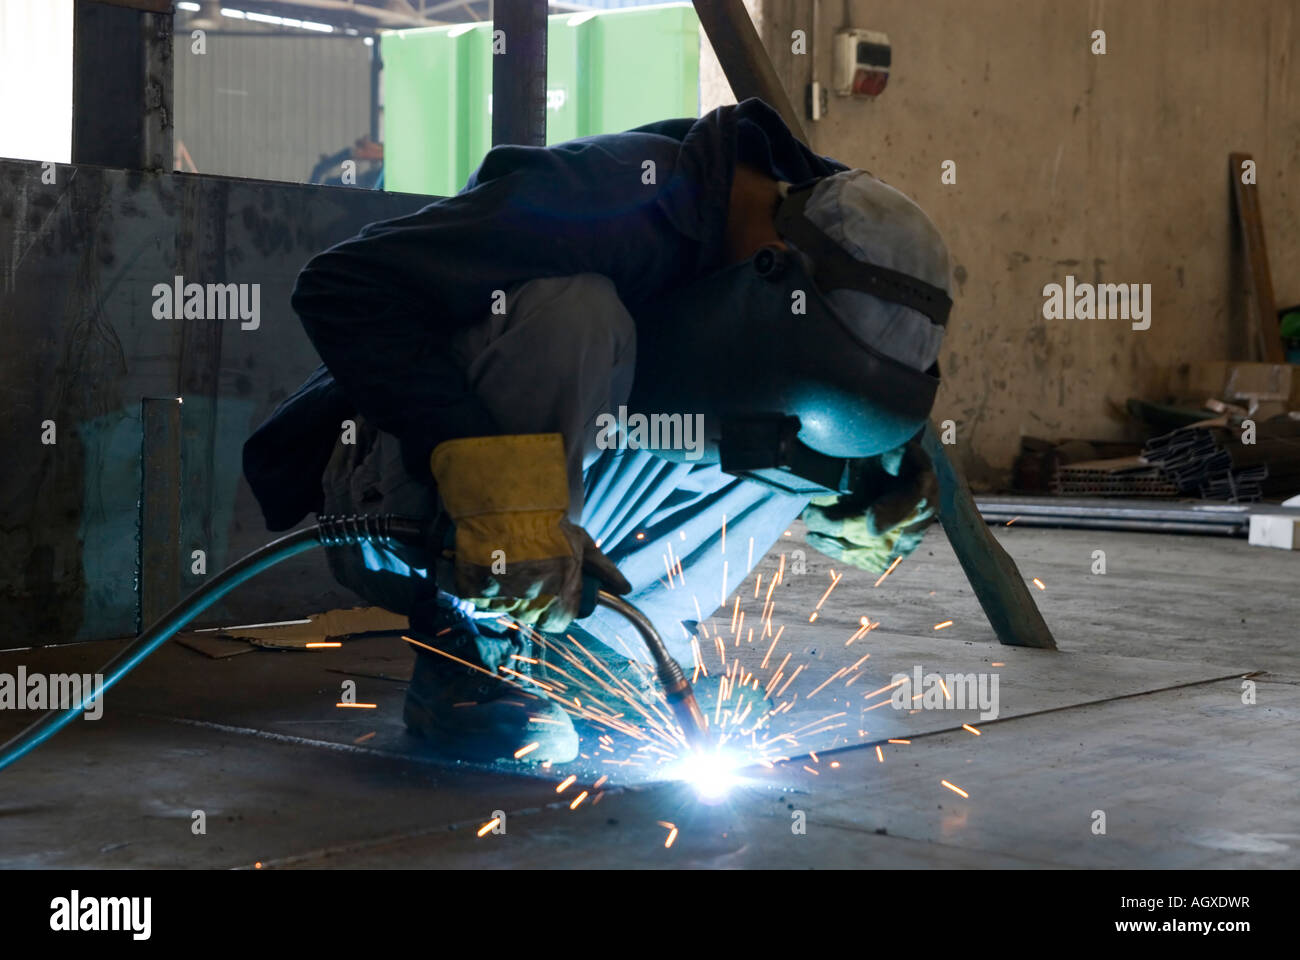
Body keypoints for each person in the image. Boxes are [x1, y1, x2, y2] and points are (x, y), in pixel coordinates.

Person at [243, 98, 951, 765]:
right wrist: (495, 488)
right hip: (395, 505)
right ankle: (478, 655)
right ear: (775, 265)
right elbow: (340, 285)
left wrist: (865, 471)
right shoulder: (612, 194)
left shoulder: (807, 251)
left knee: (788, 431)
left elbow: (817, 376)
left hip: (573, 530)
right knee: (576, 311)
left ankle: (603, 660)